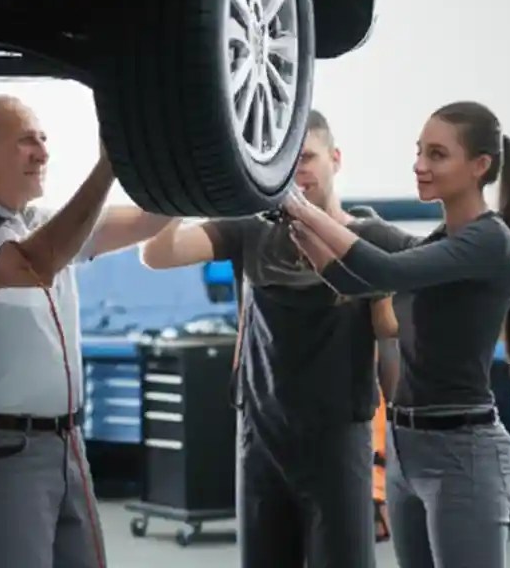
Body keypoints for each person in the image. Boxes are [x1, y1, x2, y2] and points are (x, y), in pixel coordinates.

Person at [140, 110, 415, 568]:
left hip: (337, 441)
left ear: (336, 159)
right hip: (261, 438)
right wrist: (181, 184)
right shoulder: (249, 230)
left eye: (306, 157)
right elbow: (157, 253)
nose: (297, 171)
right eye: (286, 163)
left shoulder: (369, 237)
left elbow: (438, 282)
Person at [0, 95, 172, 568]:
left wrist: (184, 156)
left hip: (66, 445)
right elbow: (35, 262)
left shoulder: (40, 223)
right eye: (25, 141)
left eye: (43, 139)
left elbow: (150, 219)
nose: (42, 152)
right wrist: (106, 170)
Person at [282, 100, 510, 568]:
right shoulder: (441, 241)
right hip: (406, 450)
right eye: (419, 151)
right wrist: (301, 230)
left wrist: (301, 206)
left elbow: (384, 268)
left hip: (462, 455)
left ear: (480, 166)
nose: (420, 165)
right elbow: (357, 279)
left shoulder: (489, 242)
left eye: (437, 155)